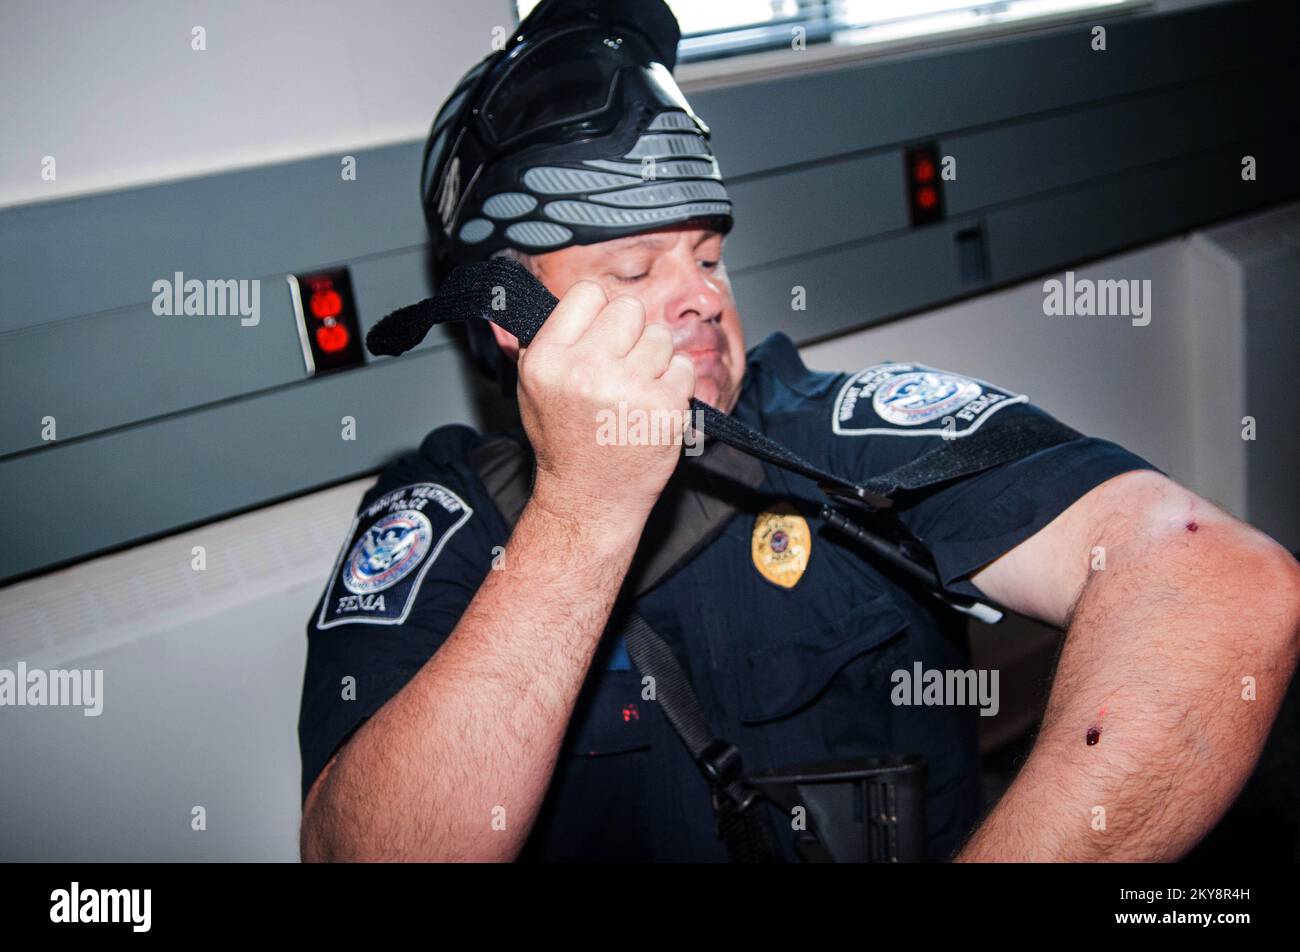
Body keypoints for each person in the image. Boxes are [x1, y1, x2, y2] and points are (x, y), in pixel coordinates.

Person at [297, 0, 1300, 862]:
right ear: (511, 321)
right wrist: (578, 515)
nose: (696, 296)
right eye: (636, 272)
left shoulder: (845, 436)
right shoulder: (441, 523)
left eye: (708, 257)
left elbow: (1220, 585)